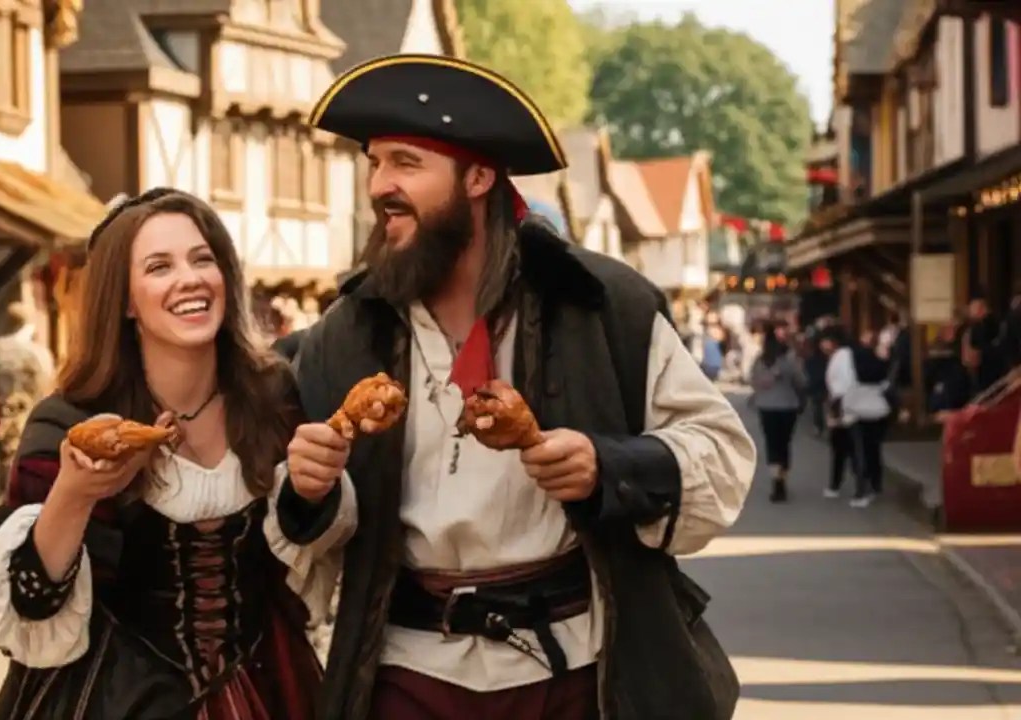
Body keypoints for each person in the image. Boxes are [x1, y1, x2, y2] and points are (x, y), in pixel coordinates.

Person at [274, 54, 756, 719]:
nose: (380, 185)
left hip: (574, 672)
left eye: (406, 163)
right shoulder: (345, 334)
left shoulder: (601, 305)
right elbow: (310, 546)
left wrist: (605, 465)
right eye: (373, 163)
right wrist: (307, 490)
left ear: (477, 176)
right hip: (404, 674)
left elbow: (722, 455)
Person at [0, 188, 323, 719]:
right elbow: (33, 606)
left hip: (268, 687)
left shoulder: (272, 400)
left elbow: (307, 559)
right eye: (159, 267)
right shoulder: (69, 424)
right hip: (114, 697)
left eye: (203, 259)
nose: (189, 278)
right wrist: (74, 493)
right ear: (124, 300)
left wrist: (315, 488)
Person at [0, 302, 55, 501]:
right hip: (33, 419)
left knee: (4, 469)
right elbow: (48, 386)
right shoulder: (41, 354)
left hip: (1, 418)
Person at [823, 328, 890, 507]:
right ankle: (875, 485)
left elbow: (836, 384)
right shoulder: (873, 355)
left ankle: (861, 490)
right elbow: (885, 381)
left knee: (857, 450)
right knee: (873, 448)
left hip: (853, 407)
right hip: (876, 407)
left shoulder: (842, 356)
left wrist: (834, 409)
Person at [749, 322, 805, 503]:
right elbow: (801, 381)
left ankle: (776, 480)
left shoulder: (760, 361)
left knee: (771, 443)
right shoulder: (789, 360)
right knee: (784, 443)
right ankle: (783, 478)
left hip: (766, 406)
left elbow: (755, 382)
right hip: (788, 405)